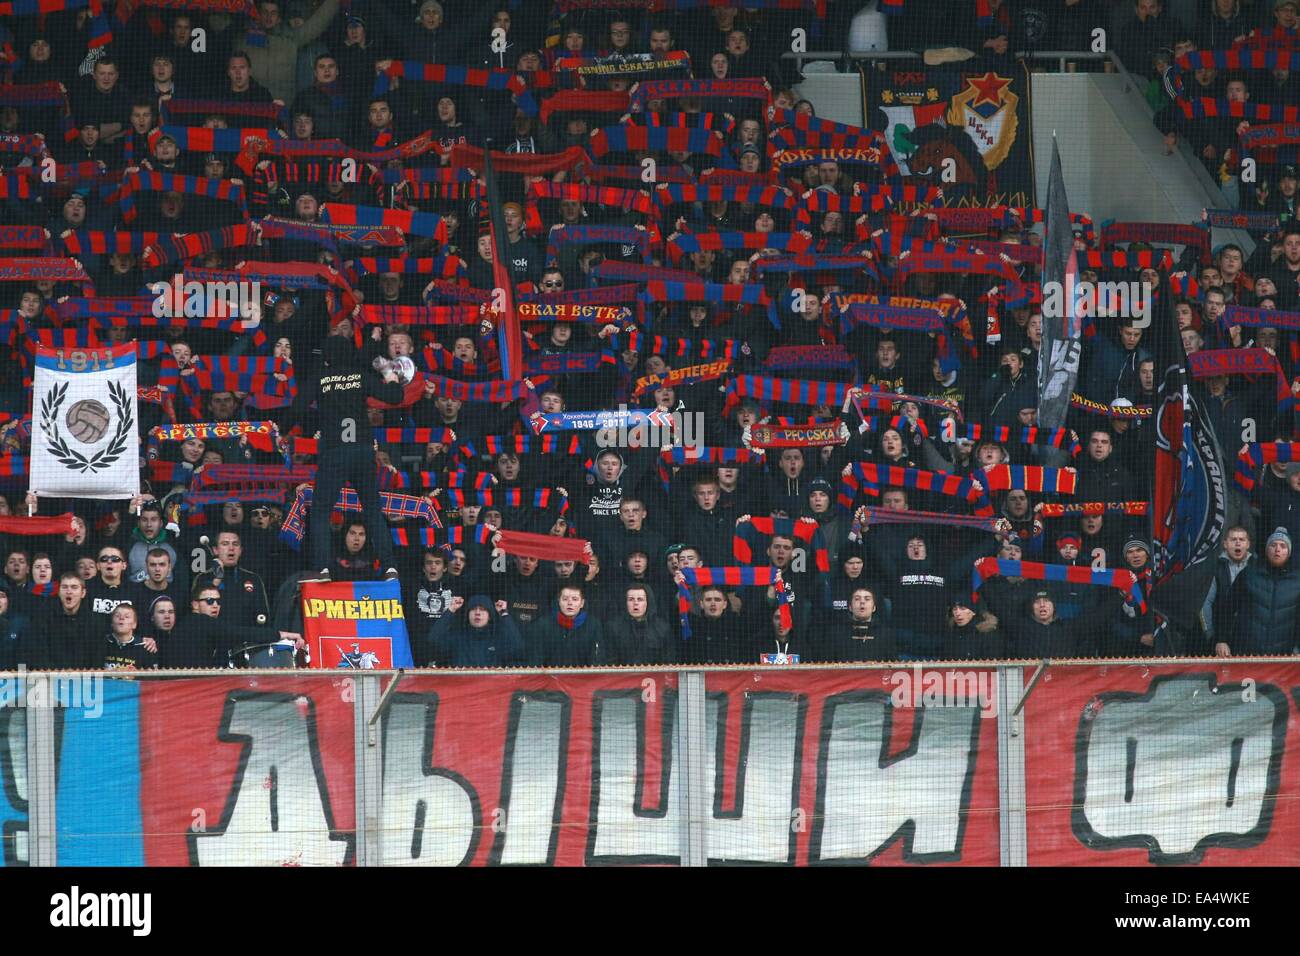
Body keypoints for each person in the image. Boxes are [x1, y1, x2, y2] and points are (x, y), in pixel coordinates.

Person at [295, 321, 406, 583]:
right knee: (371, 509)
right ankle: (390, 568)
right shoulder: (359, 376)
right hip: (363, 451)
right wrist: (390, 376)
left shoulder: (322, 379)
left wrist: (284, 428)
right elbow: (394, 397)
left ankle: (322, 569)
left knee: (321, 511)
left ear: (326, 359)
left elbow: (298, 406)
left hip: (334, 452)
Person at [425, 595, 523, 667]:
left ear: (490, 616)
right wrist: (451, 610)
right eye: (473, 609)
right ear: (467, 615)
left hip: (492, 690)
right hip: (461, 689)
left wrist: (504, 613)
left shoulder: (497, 638)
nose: (477, 613)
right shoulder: (457, 638)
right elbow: (433, 639)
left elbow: (517, 645)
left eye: (483, 609)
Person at [603, 584, 672, 665]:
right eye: (631, 599)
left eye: (640, 599)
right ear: (625, 602)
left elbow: (668, 662)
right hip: (622, 676)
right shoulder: (612, 628)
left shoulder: (662, 628)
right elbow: (610, 662)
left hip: (653, 676)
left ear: (648, 602)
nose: (635, 603)